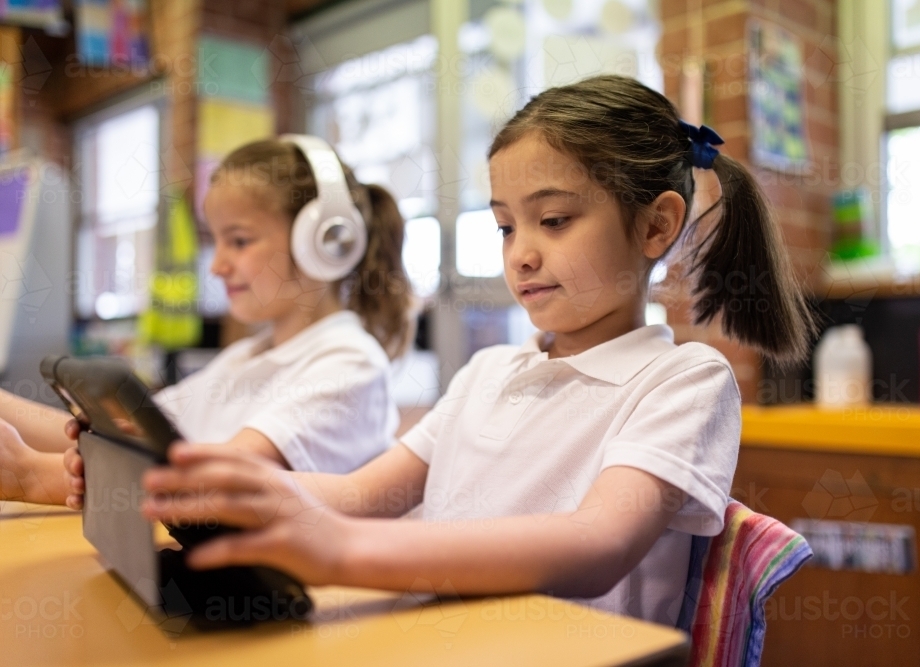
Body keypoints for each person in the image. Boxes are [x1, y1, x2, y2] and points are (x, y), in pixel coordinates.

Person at [97, 76, 815, 627]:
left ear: (656, 224)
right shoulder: (490, 371)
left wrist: (343, 552)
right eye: (506, 227)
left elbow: (597, 544)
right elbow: (358, 495)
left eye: (555, 220)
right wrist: (214, 488)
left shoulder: (683, 379)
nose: (523, 253)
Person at [0, 136, 412, 507]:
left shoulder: (350, 365)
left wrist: (31, 474)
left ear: (326, 242)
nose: (216, 266)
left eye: (239, 241)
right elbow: (131, 436)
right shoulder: (245, 357)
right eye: (217, 241)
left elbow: (216, 485)